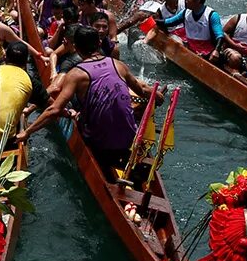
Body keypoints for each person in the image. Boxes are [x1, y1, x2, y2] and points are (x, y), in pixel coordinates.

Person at [18, 25, 153, 173]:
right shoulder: (119, 65)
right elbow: (142, 91)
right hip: (129, 137)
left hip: (99, 142)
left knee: (74, 110)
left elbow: (54, 109)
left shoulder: (75, 74)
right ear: (99, 44)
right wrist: (157, 96)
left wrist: (28, 132)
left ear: (75, 47)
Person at [159, 0, 224, 59]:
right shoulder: (186, 12)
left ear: (198, 0)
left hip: (207, 50)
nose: (186, 1)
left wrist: (216, 51)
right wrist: (152, 20)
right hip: (190, 46)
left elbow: (220, 36)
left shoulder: (212, 15)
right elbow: (169, 22)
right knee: (174, 40)